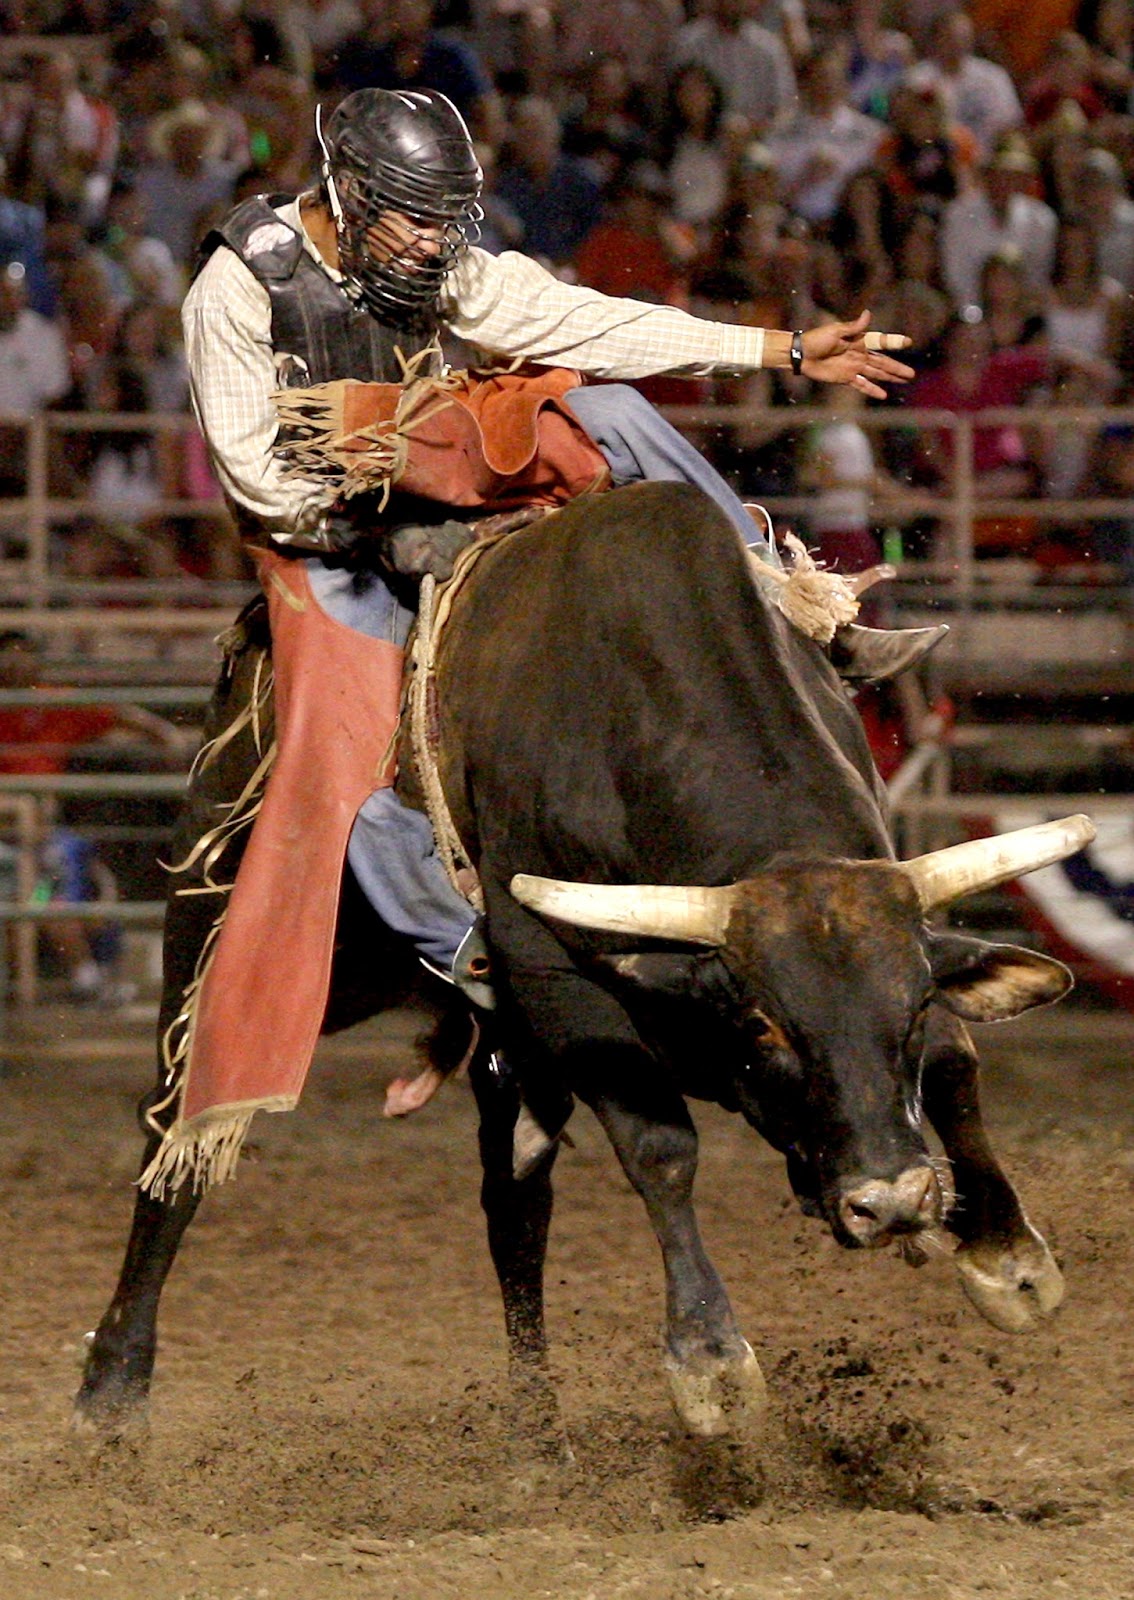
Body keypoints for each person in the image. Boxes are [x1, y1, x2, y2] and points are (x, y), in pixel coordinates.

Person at [171, 86, 924, 1181]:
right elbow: (252, 473)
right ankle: (477, 964)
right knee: (350, 762)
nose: (438, 244)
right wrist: (381, 503)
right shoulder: (236, 288)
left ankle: (784, 597)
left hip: (437, 467)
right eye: (416, 220)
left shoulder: (440, 267)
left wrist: (781, 352)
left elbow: (587, 320)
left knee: (610, 411)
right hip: (330, 532)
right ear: (349, 195)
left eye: (449, 219)